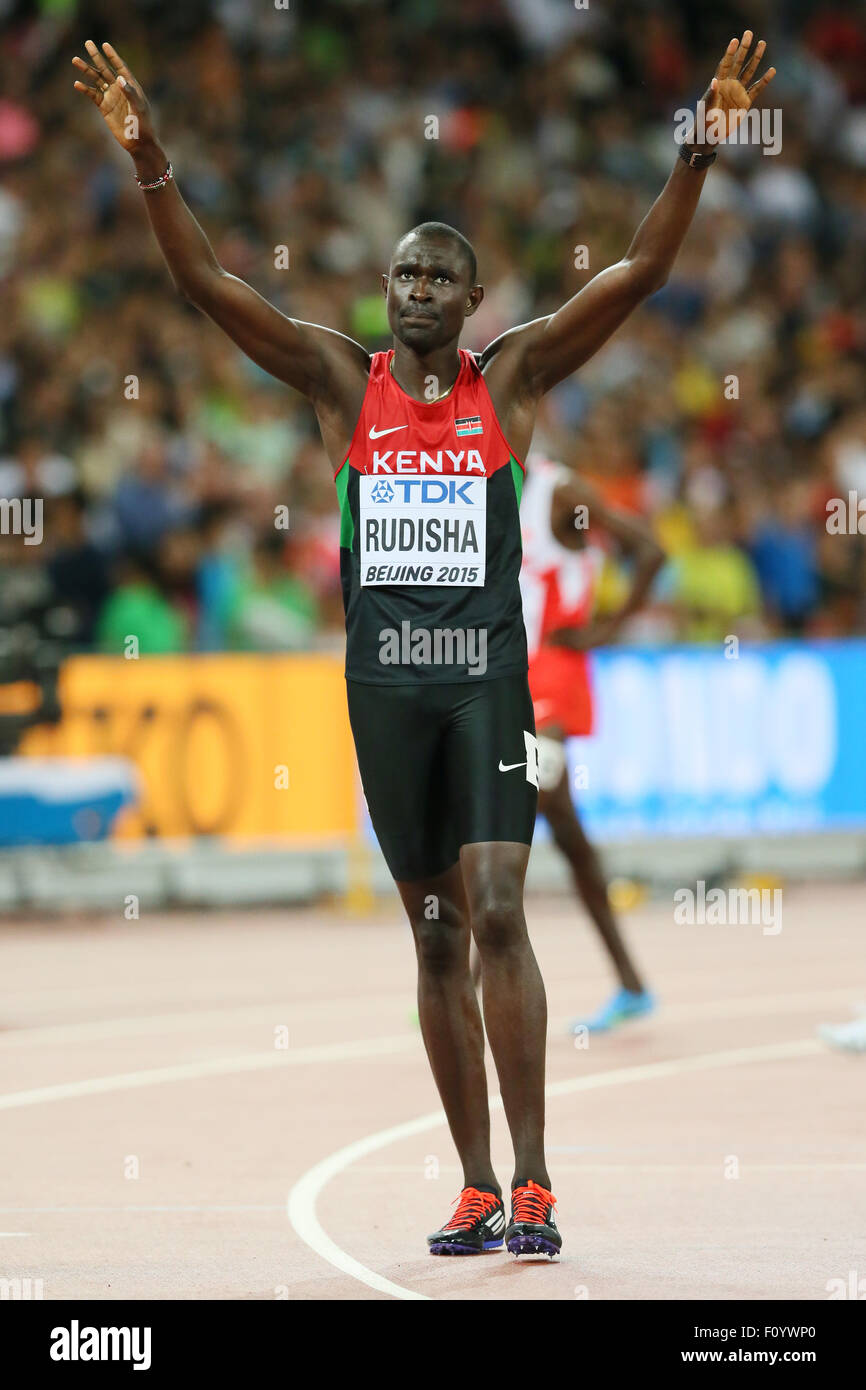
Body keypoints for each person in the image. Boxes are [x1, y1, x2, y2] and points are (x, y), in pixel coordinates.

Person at [73, 31, 775, 1260]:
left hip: (487, 679)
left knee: (498, 907)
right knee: (437, 932)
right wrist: (150, 161)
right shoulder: (337, 382)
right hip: (383, 686)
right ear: (383, 293)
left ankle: (537, 1181)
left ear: (470, 304)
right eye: (401, 276)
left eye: (436, 280)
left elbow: (639, 271)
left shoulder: (516, 376)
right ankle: (469, 1185)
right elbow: (206, 287)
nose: (412, 292)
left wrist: (697, 150)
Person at [470, 456, 664, 1032]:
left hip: (556, 675)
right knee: (568, 840)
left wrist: (607, 629)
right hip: (516, 674)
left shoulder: (561, 490)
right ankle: (631, 985)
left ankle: (465, 982)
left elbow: (652, 549)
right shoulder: (487, 485)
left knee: (510, 815)